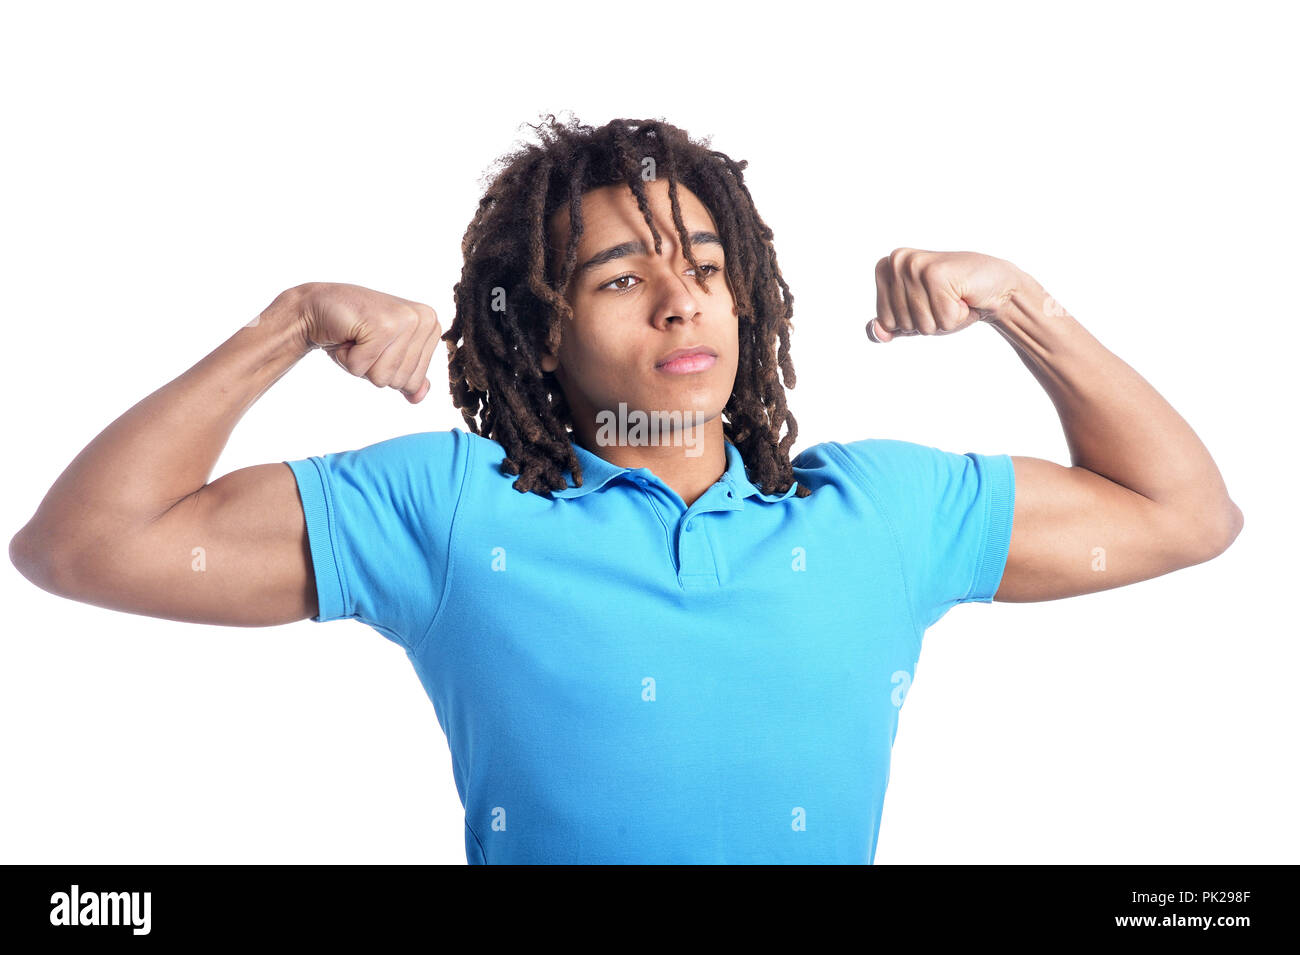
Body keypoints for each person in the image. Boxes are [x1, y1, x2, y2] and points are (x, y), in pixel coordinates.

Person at [8, 115, 1243, 864]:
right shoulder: (450, 511)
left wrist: (1022, 304)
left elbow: (1187, 515)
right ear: (540, 330)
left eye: (706, 263)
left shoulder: (882, 514)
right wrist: (283, 327)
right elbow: (83, 547)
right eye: (617, 277)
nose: (679, 297)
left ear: (747, 294)